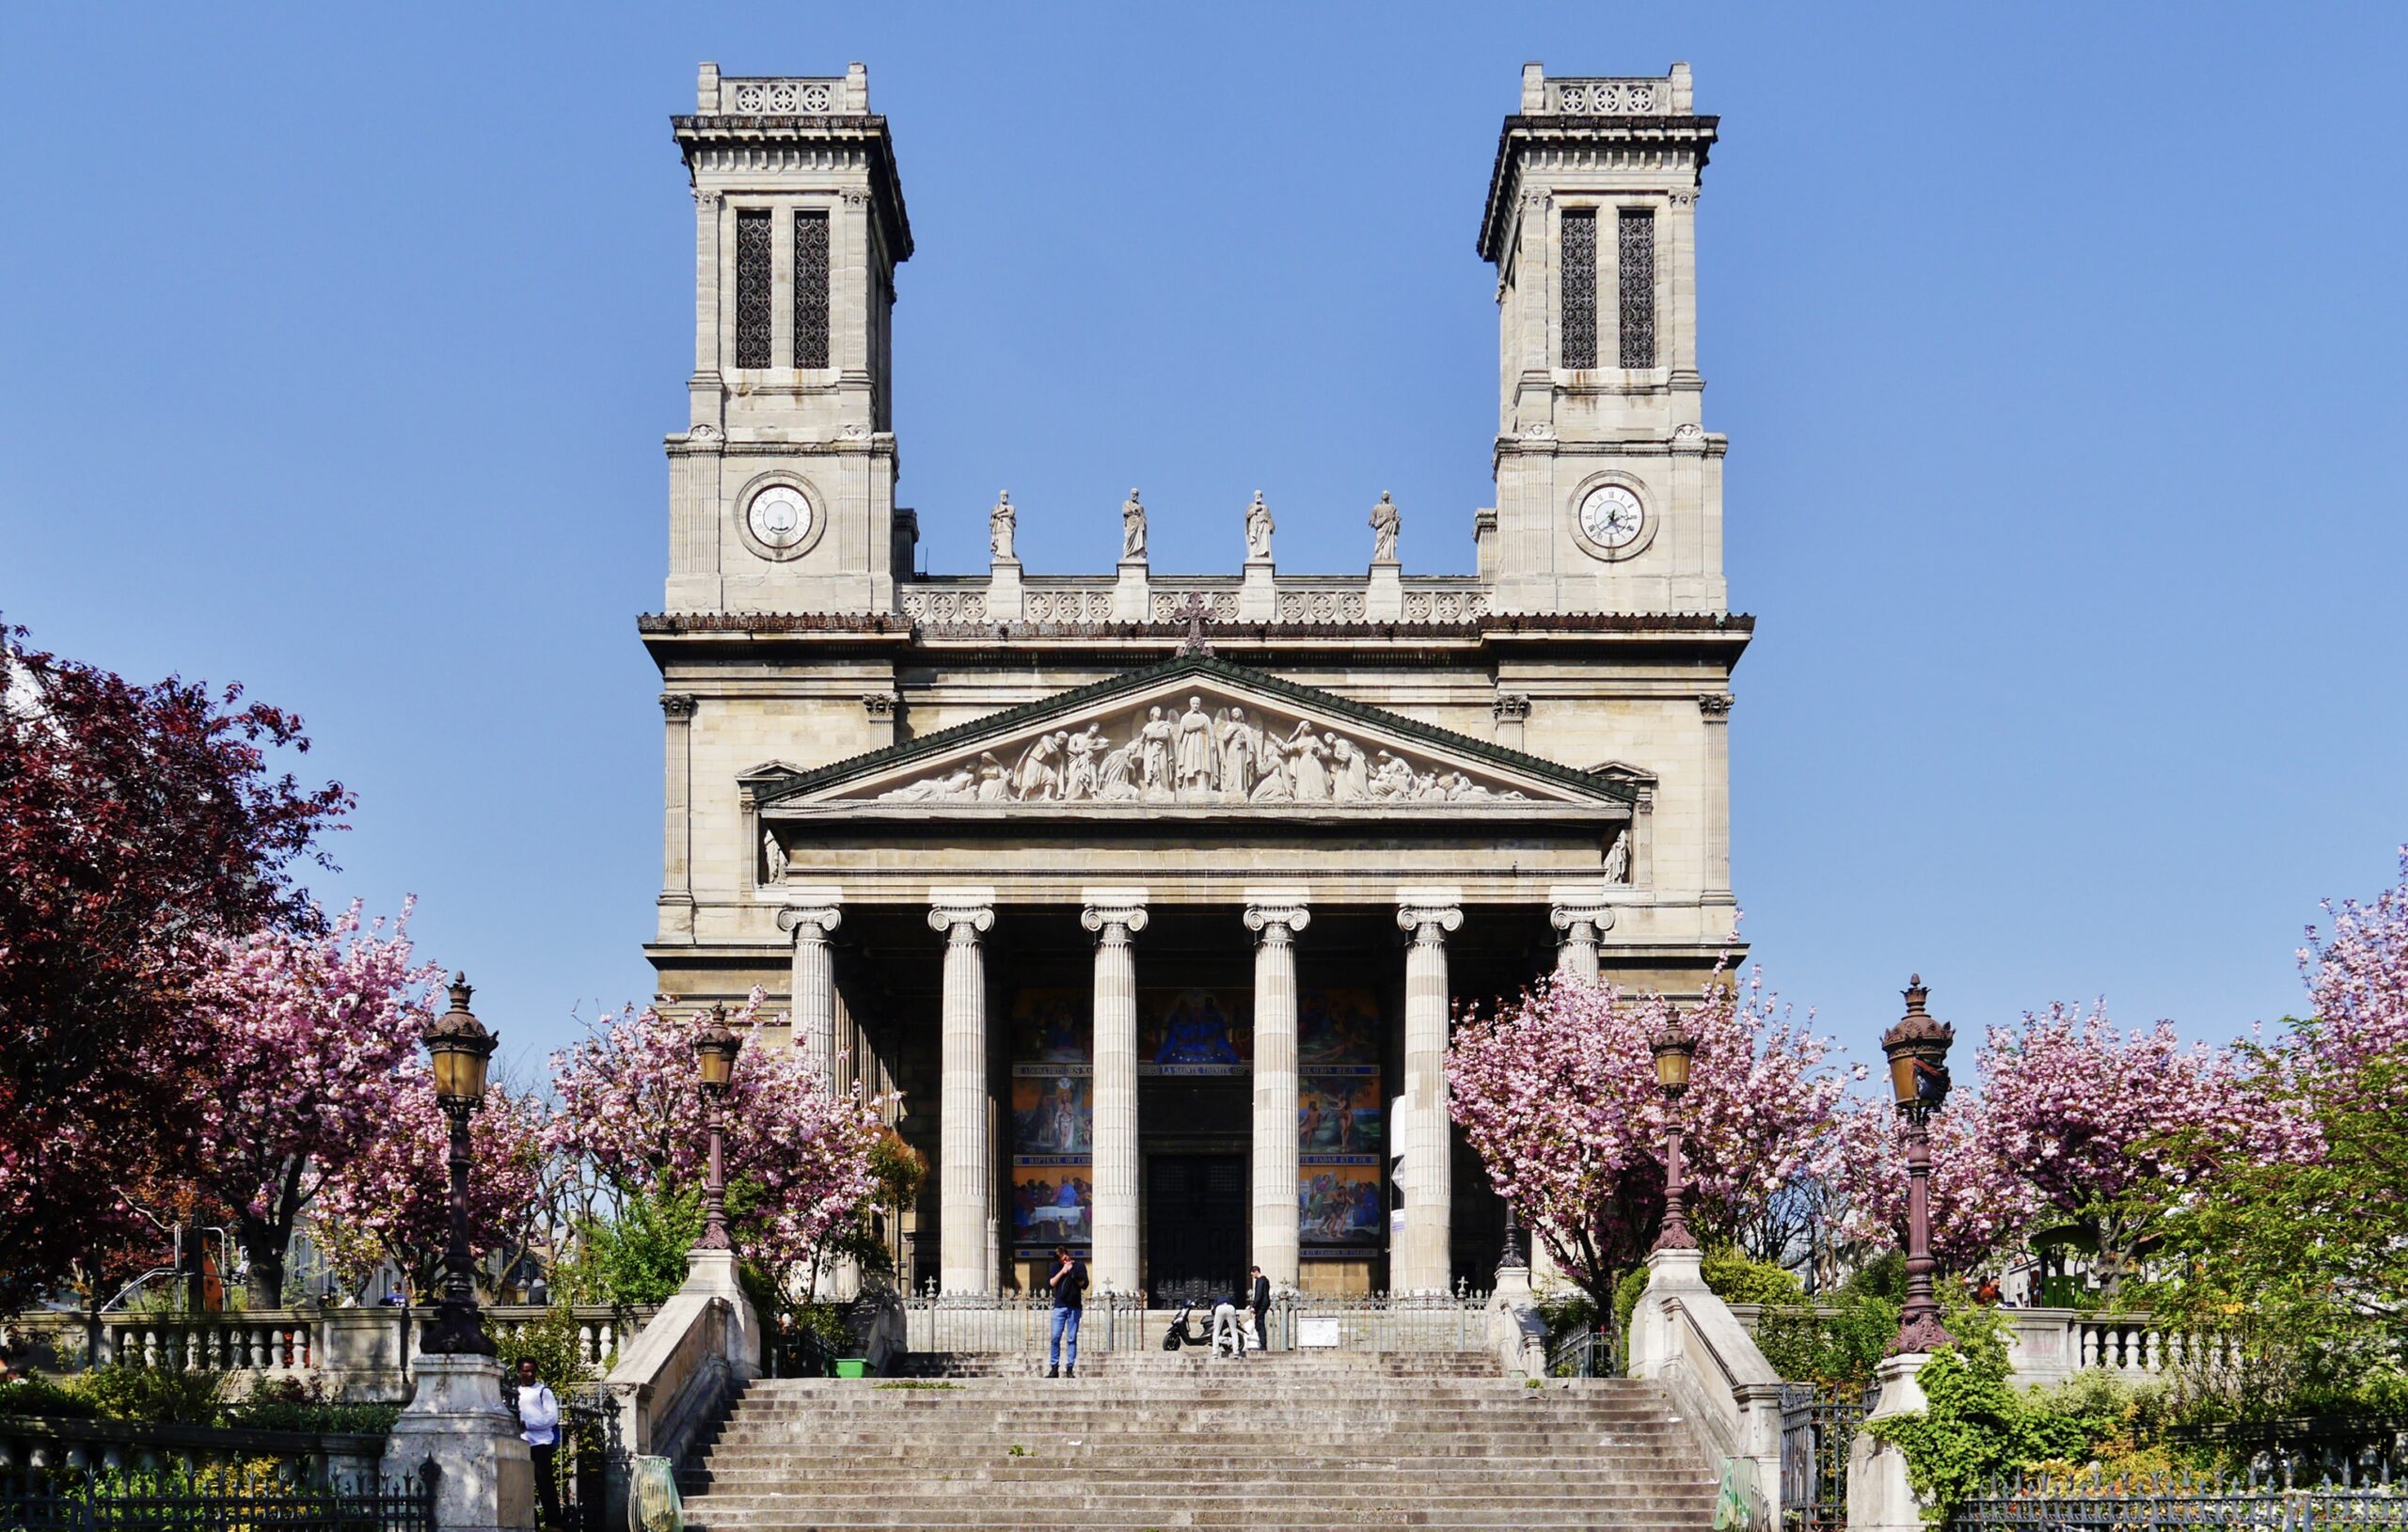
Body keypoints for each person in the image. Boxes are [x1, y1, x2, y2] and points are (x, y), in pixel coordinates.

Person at [513, 1357, 563, 1530]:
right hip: (521, 1442)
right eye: (526, 1371)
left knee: (545, 1484)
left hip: (541, 1443)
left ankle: (554, 1524)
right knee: (522, 1485)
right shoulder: (514, 1392)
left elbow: (551, 1418)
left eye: (532, 1371)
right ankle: (529, 1522)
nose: (530, 1374)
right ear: (519, 1372)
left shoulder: (543, 1391)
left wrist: (527, 1424)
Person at [1045, 1245, 1086, 1378]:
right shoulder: (1056, 1267)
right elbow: (1051, 1283)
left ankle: (1070, 1368)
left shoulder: (1079, 1266)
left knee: (1071, 1338)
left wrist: (1073, 1272)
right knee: (1055, 1337)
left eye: (1066, 1257)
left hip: (1074, 1307)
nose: (1065, 1260)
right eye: (1062, 1260)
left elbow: (1084, 1284)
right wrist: (1063, 1272)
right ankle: (1054, 1368)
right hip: (1059, 1306)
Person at [1212, 1291, 1248, 1358]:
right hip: (1230, 1308)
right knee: (1234, 1331)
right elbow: (1235, 1307)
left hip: (1219, 1308)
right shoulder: (1231, 1299)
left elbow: (1213, 1308)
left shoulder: (1217, 1298)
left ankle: (1215, 1353)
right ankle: (1236, 1353)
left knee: (1216, 1331)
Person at [1248, 1265, 1273, 1352]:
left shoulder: (1260, 1281)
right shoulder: (1266, 1280)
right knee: (1260, 1323)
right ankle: (1263, 1344)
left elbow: (1258, 1294)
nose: (1253, 1277)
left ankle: (1263, 1345)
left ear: (1256, 1272)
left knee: (1259, 1324)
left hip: (1261, 1305)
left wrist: (1254, 1306)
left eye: (1252, 1275)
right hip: (1265, 1303)